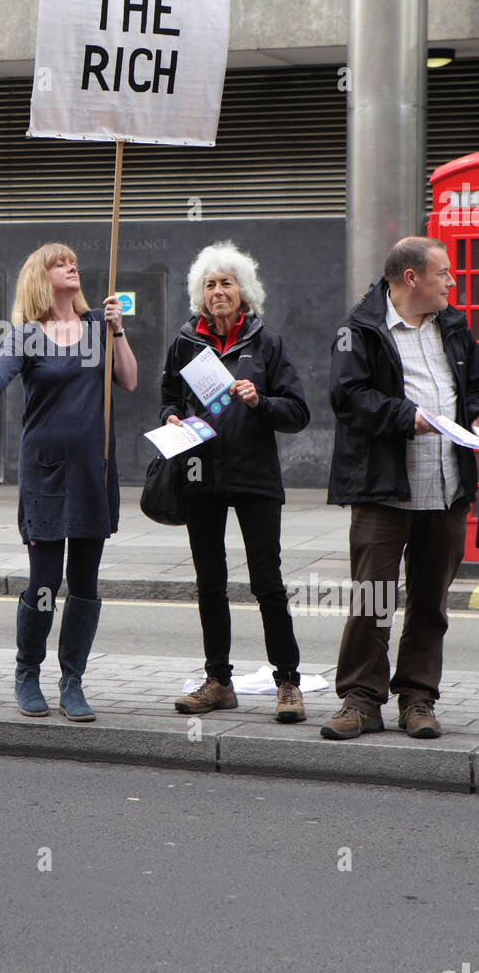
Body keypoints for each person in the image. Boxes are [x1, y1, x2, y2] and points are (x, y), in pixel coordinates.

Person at [0, 243, 136, 721]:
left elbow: (128, 380)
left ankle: (73, 680)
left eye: (73, 261)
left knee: (85, 582)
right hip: (45, 473)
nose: (73, 267)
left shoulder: (97, 328)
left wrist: (118, 330)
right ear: (40, 278)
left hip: (94, 471)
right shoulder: (26, 336)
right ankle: (28, 673)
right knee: (44, 581)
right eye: (60, 262)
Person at [322, 236, 479, 740]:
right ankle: (361, 700)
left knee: (430, 603)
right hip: (384, 490)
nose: (452, 282)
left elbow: (472, 386)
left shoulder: (453, 325)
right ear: (411, 278)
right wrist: (408, 417)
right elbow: (348, 398)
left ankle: (417, 699)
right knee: (372, 599)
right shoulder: (360, 328)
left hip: (446, 487)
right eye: (444, 273)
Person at [160, 241, 310, 722]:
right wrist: (170, 419)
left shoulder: (267, 343)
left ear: (243, 291)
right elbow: (169, 398)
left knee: (268, 581)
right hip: (200, 473)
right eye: (209, 284)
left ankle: (288, 682)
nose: (218, 291)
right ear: (199, 295)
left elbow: (298, 413)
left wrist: (259, 401)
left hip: (254, 476)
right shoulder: (186, 342)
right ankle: (218, 681)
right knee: (210, 582)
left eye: (226, 283)